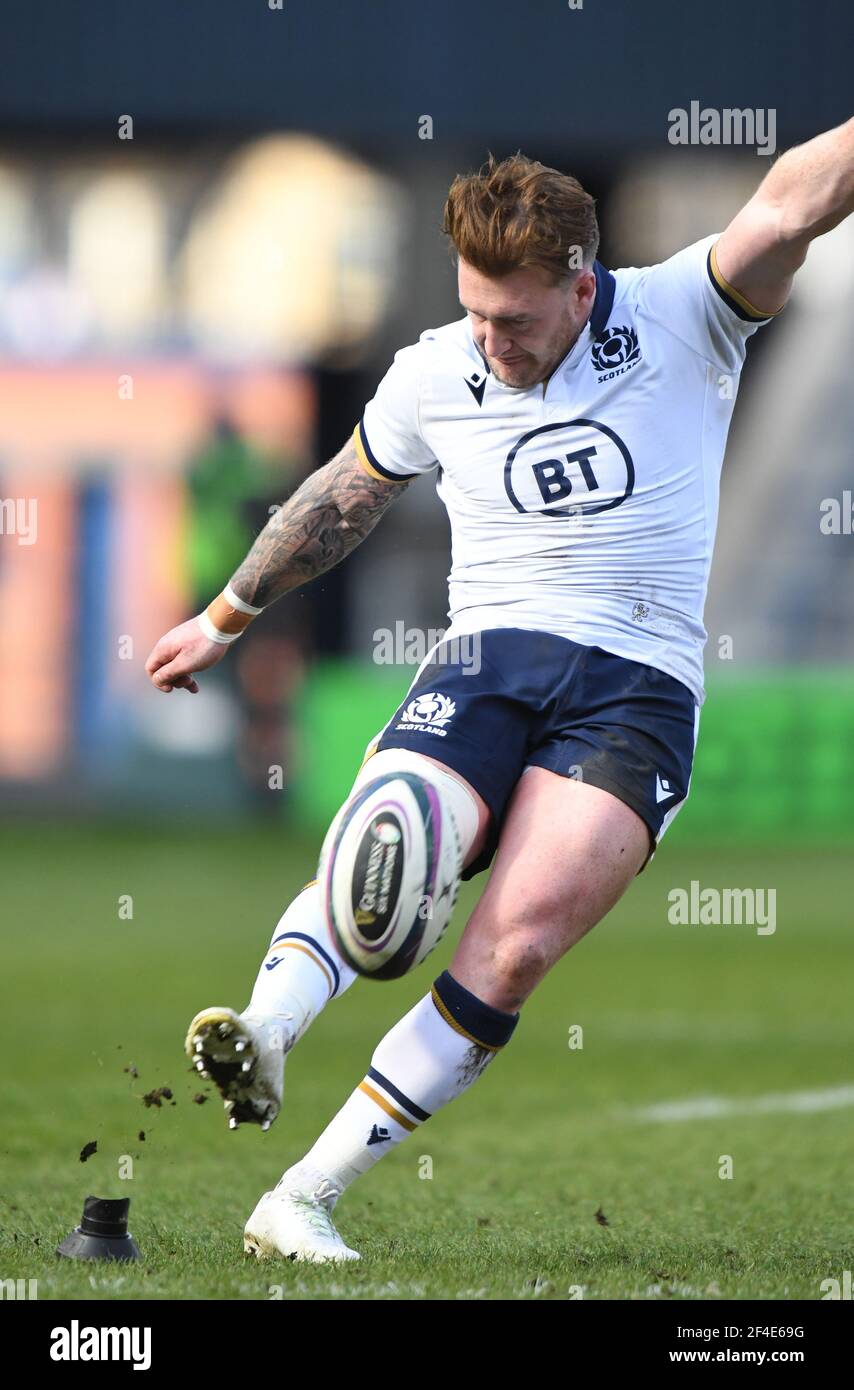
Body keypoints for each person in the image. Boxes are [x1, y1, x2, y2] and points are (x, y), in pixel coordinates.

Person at [146, 125, 854, 1262]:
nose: (490, 340)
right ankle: (264, 1032)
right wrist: (224, 616)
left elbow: (784, 209)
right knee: (383, 846)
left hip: (635, 689)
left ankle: (302, 1196)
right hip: (486, 658)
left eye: (514, 320)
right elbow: (339, 496)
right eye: (475, 312)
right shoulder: (437, 366)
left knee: (513, 948)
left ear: (582, 286)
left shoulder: (686, 311)